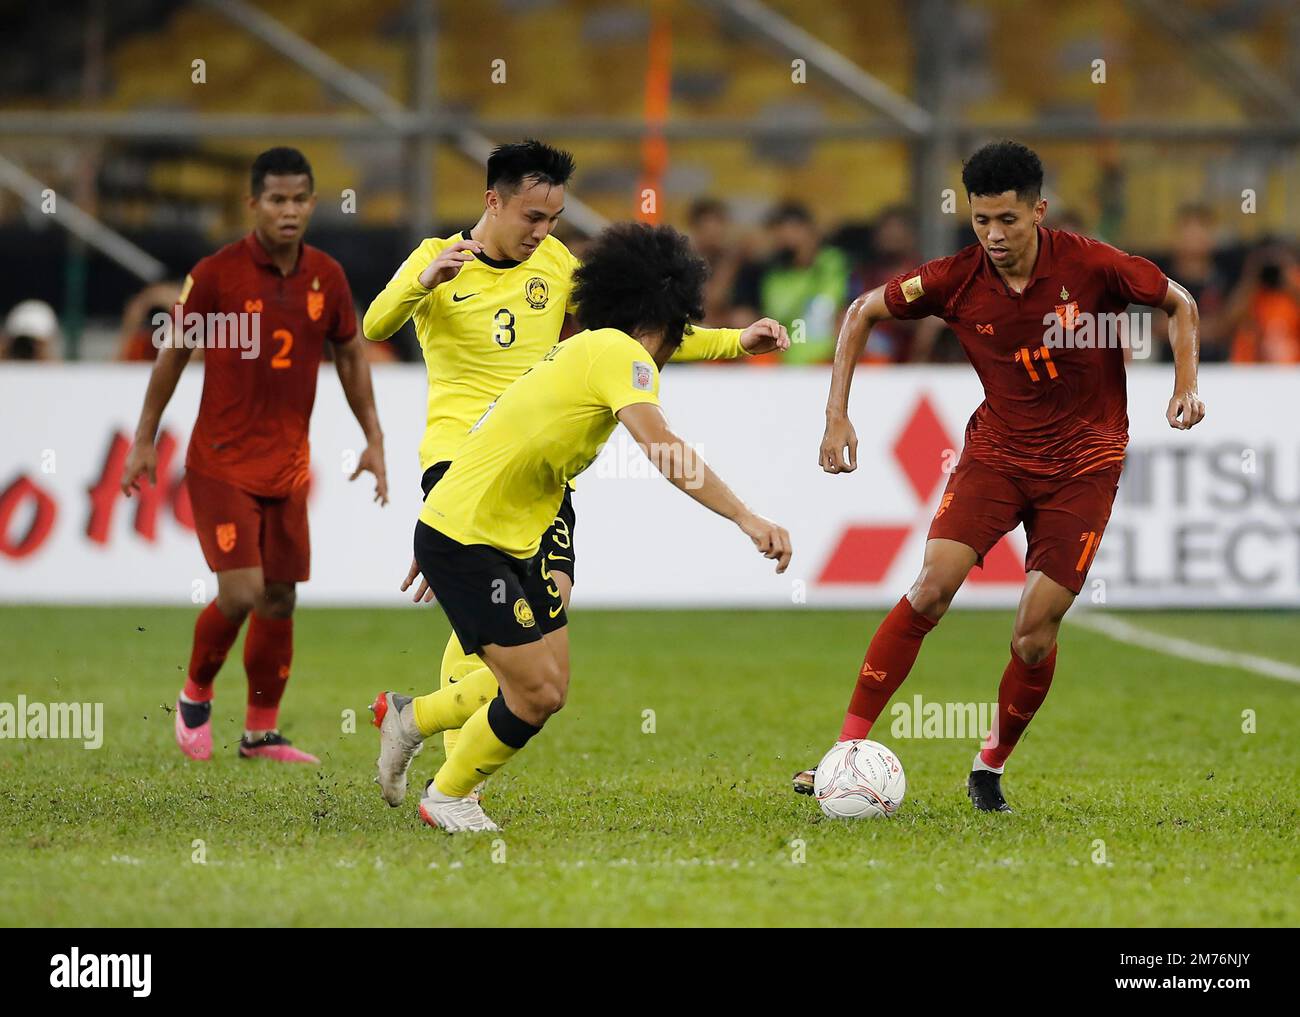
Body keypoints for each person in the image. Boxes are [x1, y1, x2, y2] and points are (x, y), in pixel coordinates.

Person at [362, 140, 788, 794]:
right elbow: (374, 324)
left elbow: (633, 333)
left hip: (540, 469)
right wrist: (423, 285)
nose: (544, 232)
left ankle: (419, 727)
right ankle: (452, 778)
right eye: (533, 216)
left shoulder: (557, 265)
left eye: (554, 218)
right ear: (492, 201)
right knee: (495, 629)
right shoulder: (436, 259)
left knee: (545, 611)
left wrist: (735, 340)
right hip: (459, 459)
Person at [800, 140, 1205, 812]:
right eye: (981, 220)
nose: (992, 235)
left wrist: (1185, 383)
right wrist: (836, 415)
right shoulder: (954, 278)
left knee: (1033, 632)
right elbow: (861, 311)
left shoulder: (1093, 264)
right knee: (931, 587)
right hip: (998, 455)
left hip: (1085, 464)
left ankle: (989, 763)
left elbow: (1180, 302)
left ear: (1038, 211)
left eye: (1007, 220)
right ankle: (843, 752)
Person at [121, 147, 388, 764]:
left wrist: (373, 437)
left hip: (288, 467)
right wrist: (143, 438)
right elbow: (174, 353)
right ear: (253, 205)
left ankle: (261, 733)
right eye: (276, 199)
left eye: (299, 199)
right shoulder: (218, 273)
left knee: (280, 597)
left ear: (313, 203)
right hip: (220, 463)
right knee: (241, 592)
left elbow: (349, 354)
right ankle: (195, 695)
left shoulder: (328, 276)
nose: (288, 211)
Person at [731, 201, 850, 364]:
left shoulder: (833, 263)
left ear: (809, 230)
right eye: (779, 230)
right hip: (783, 365)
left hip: (830, 361)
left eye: (792, 229)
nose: (786, 236)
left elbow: (848, 304)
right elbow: (770, 316)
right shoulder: (771, 276)